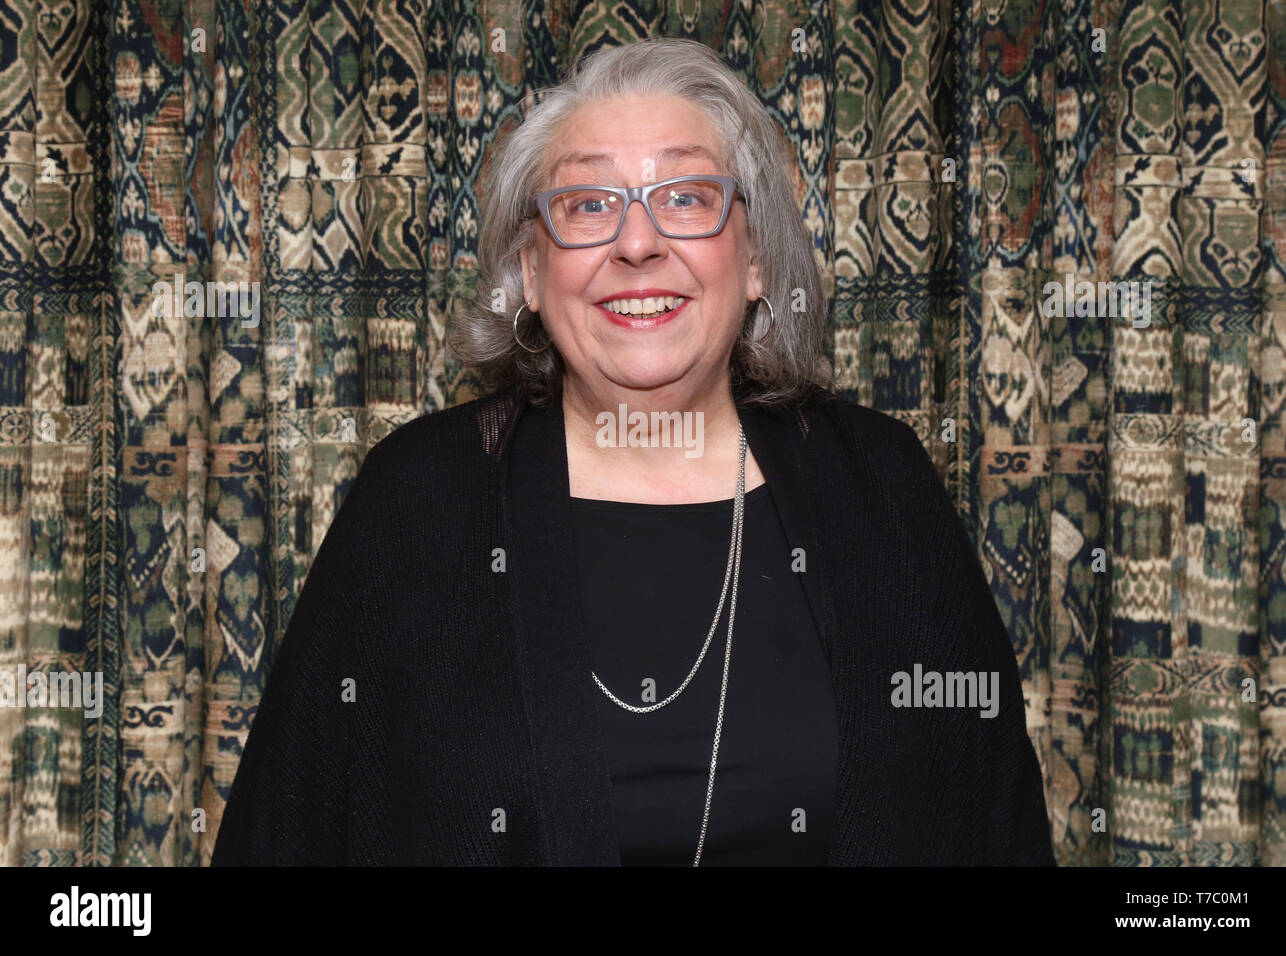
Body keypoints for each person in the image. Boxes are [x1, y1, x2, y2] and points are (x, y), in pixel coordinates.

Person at [211, 36, 1054, 866]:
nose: (638, 244)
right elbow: (282, 834)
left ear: (756, 258)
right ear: (532, 274)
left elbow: (994, 825)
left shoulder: (882, 487)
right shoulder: (417, 501)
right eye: (588, 206)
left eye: (686, 197)